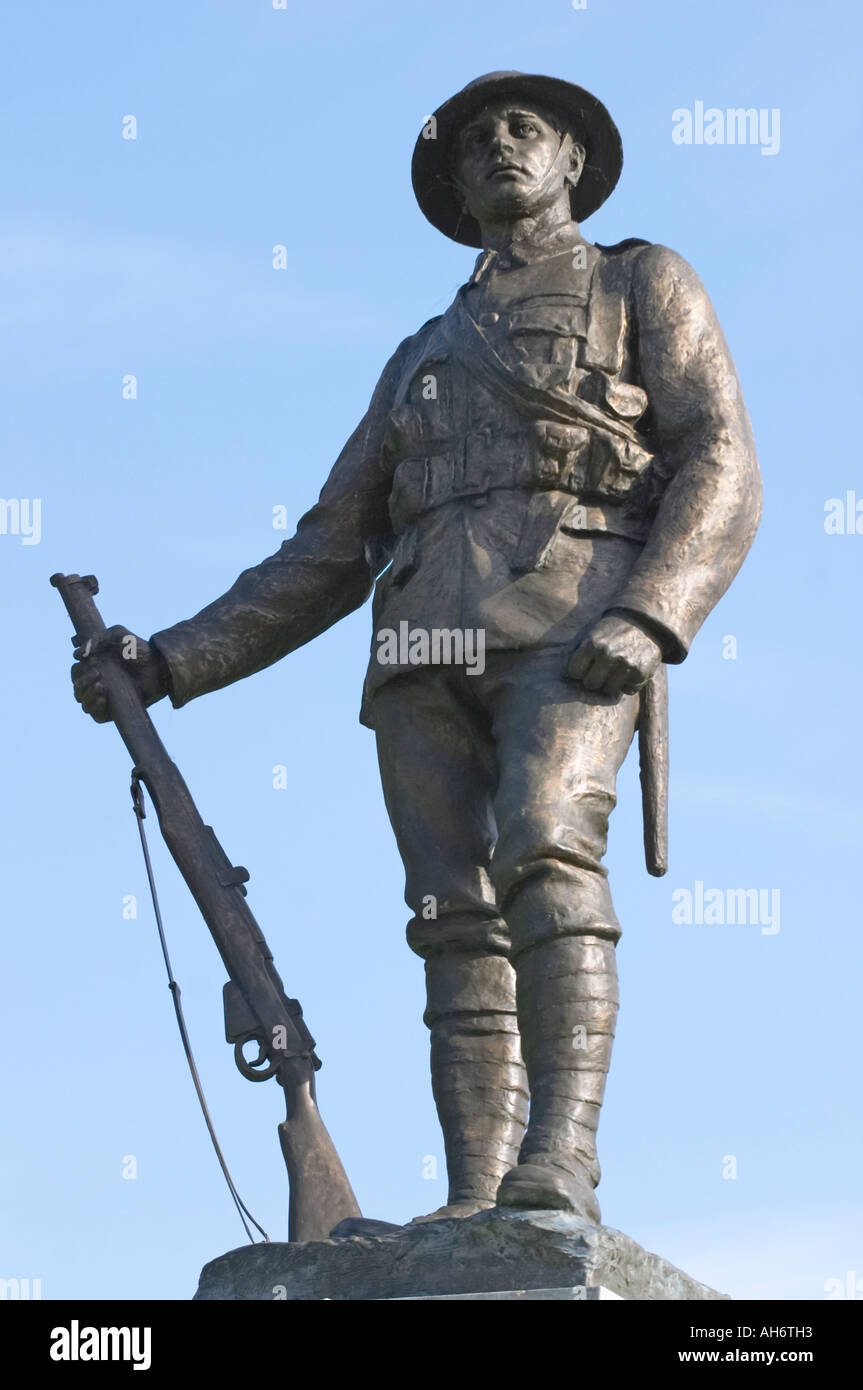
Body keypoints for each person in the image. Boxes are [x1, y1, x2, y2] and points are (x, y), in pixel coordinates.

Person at [72, 73, 762, 1225]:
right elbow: (329, 550)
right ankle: (474, 1190)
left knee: (545, 845)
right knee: (449, 913)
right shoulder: (420, 356)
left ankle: (560, 1159)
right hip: (420, 647)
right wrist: (171, 661)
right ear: (451, 184)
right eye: (476, 138)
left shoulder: (642, 281)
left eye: (524, 128)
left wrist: (650, 615)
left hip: (573, 623)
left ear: (571, 162)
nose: (499, 142)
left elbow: (722, 461)